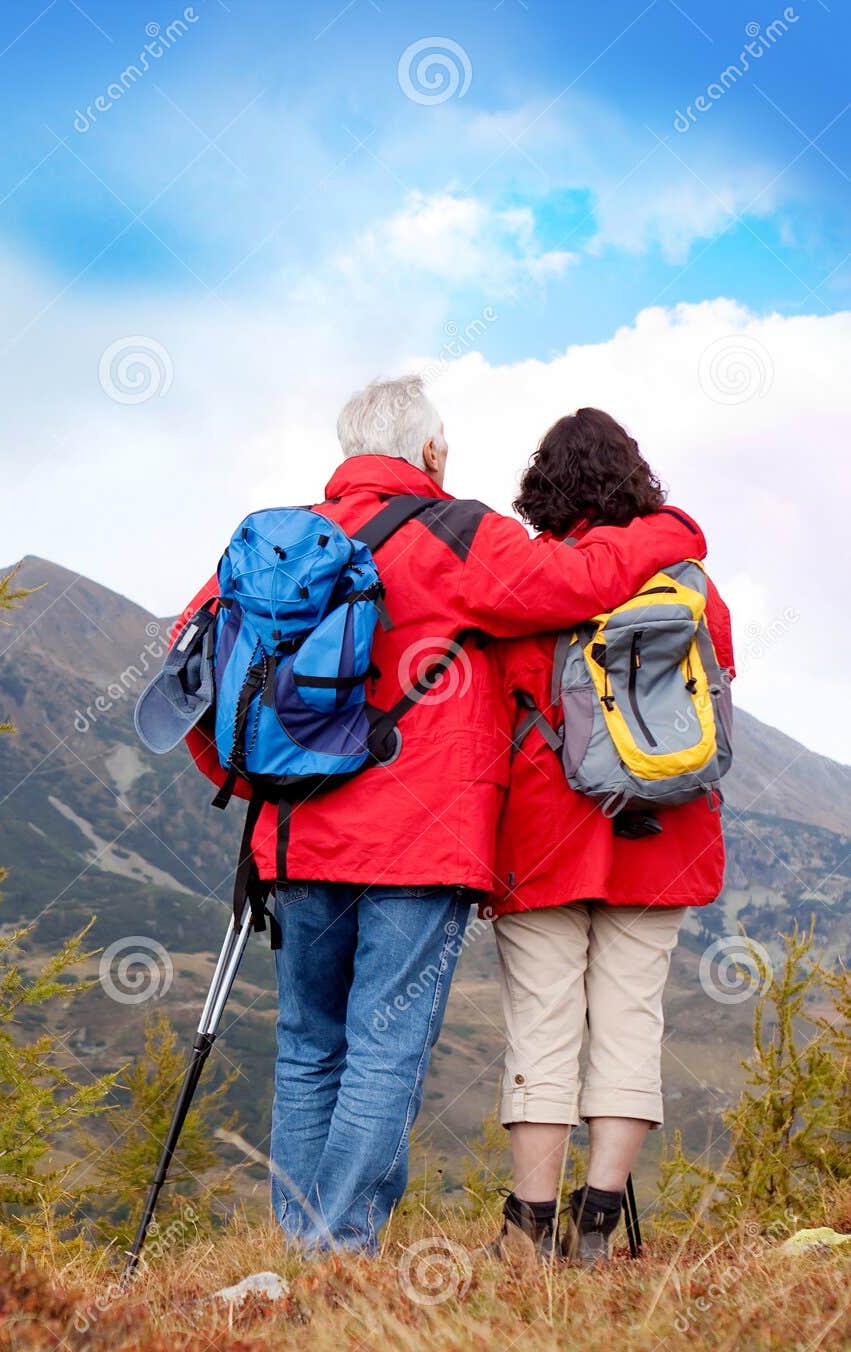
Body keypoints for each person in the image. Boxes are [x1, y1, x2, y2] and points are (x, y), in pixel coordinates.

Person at [180, 377, 708, 1254]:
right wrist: (669, 529)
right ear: (429, 451)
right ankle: (338, 1250)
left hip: (292, 838)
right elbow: (581, 580)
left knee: (311, 1046)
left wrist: (249, 781)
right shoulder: (461, 535)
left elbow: (193, 669)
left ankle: (303, 1249)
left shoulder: (272, 540)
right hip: (416, 849)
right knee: (382, 1048)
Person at [488, 407, 734, 1264]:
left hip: (543, 840)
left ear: (542, 491)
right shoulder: (691, 586)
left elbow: (499, 711)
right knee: (632, 1023)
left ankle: (529, 1230)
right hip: (661, 835)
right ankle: (597, 1224)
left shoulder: (533, 584)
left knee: (542, 1026)